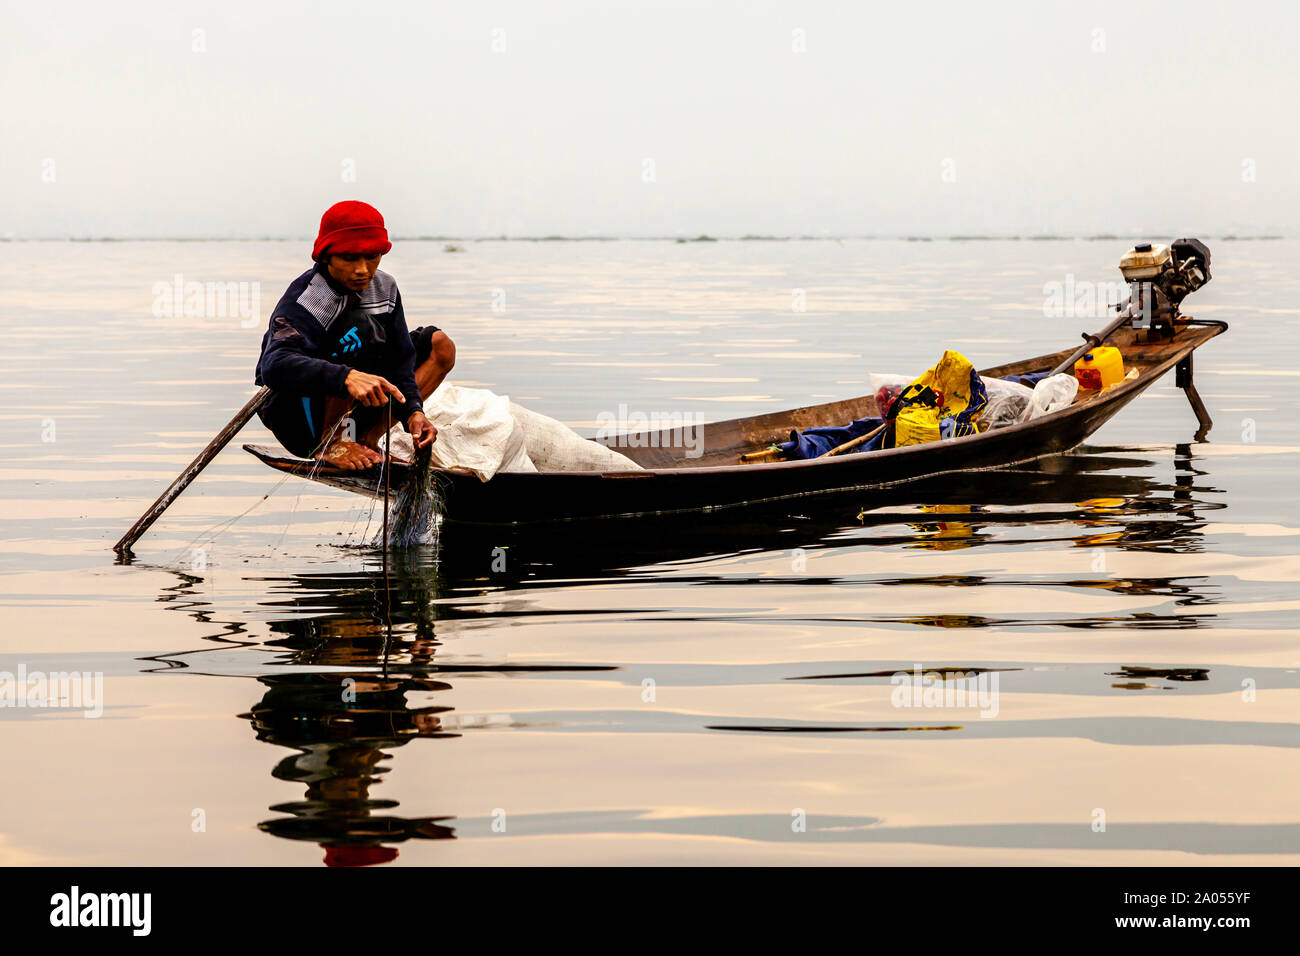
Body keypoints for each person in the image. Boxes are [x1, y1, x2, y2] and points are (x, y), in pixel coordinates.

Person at [254, 200, 456, 470]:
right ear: (327, 257)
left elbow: (400, 361)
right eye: (350, 258)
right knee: (359, 329)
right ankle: (332, 443)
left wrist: (413, 412)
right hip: (297, 416)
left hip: (353, 411)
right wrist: (346, 377)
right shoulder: (309, 299)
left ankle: (367, 440)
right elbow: (274, 367)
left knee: (439, 345)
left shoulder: (385, 288)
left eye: (372, 257)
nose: (363, 270)